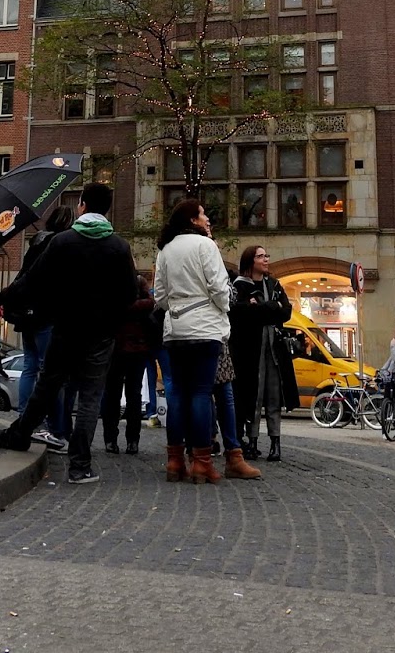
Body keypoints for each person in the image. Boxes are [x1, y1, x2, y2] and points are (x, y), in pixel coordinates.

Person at [0, 182, 138, 484]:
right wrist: (111, 321)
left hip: (67, 327)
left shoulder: (63, 242)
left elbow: (32, 280)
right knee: (90, 397)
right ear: (107, 209)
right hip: (101, 333)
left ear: (82, 205)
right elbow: (130, 295)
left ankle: (19, 435)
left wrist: (0, 298)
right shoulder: (119, 246)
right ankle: (80, 465)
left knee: (47, 385)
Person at [152, 199, 232, 484]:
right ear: (192, 219)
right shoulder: (205, 246)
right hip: (204, 328)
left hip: (175, 330)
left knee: (177, 394)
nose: (205, 216)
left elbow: (159, 296)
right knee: (200, 393)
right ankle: (201, 462)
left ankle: (174, 461)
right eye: (202, 213)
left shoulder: (165, 250)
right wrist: (223, 307)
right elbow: (219, 286)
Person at [5, 205, 71, 446]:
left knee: (30, 366)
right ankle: (55, 428)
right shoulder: (59, 245)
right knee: (50, 372)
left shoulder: (35, 242)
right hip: (46, 314)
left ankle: (25, 416)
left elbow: (25, 277)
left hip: (27, 314)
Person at [229, 245, 297, 461]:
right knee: (253, 397)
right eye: (261, 256)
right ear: (251, 261)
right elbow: (241, 314)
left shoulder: (274, 284)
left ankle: (275, 442)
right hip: (250, 350)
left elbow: (285, 311)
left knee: (274, 396)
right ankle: (252, 440)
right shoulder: (240, 286)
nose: (266, 259)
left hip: (273, 349)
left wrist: (264, 307)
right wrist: (270, 308)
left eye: (267, 255)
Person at [101, 267, 155, 456]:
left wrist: (125, 307)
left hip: (132, 347)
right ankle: (112, 439)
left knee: (131, 395)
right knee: (115, 395)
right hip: (118, 347)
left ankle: (130, 440)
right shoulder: (113, 283)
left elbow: (150, 303)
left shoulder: (138, 281)